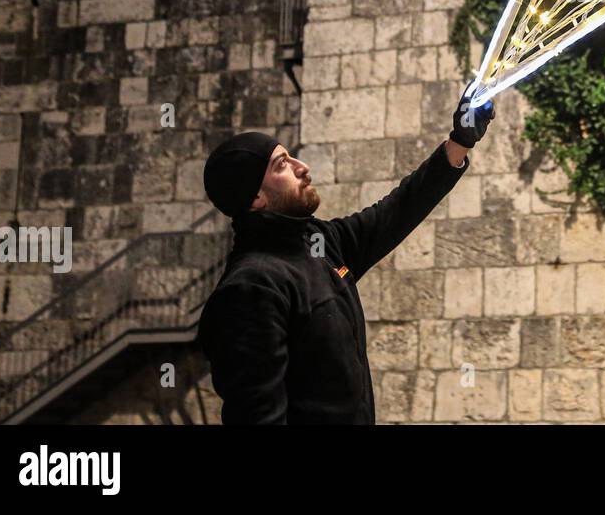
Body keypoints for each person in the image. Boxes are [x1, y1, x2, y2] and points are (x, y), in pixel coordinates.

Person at [197, 84, 495, 424]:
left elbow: (396, 212)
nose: (302, 166)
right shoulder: (252, 288)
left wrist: (460, 141)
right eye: (282, 165)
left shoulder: (319, 241)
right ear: (255, 199)